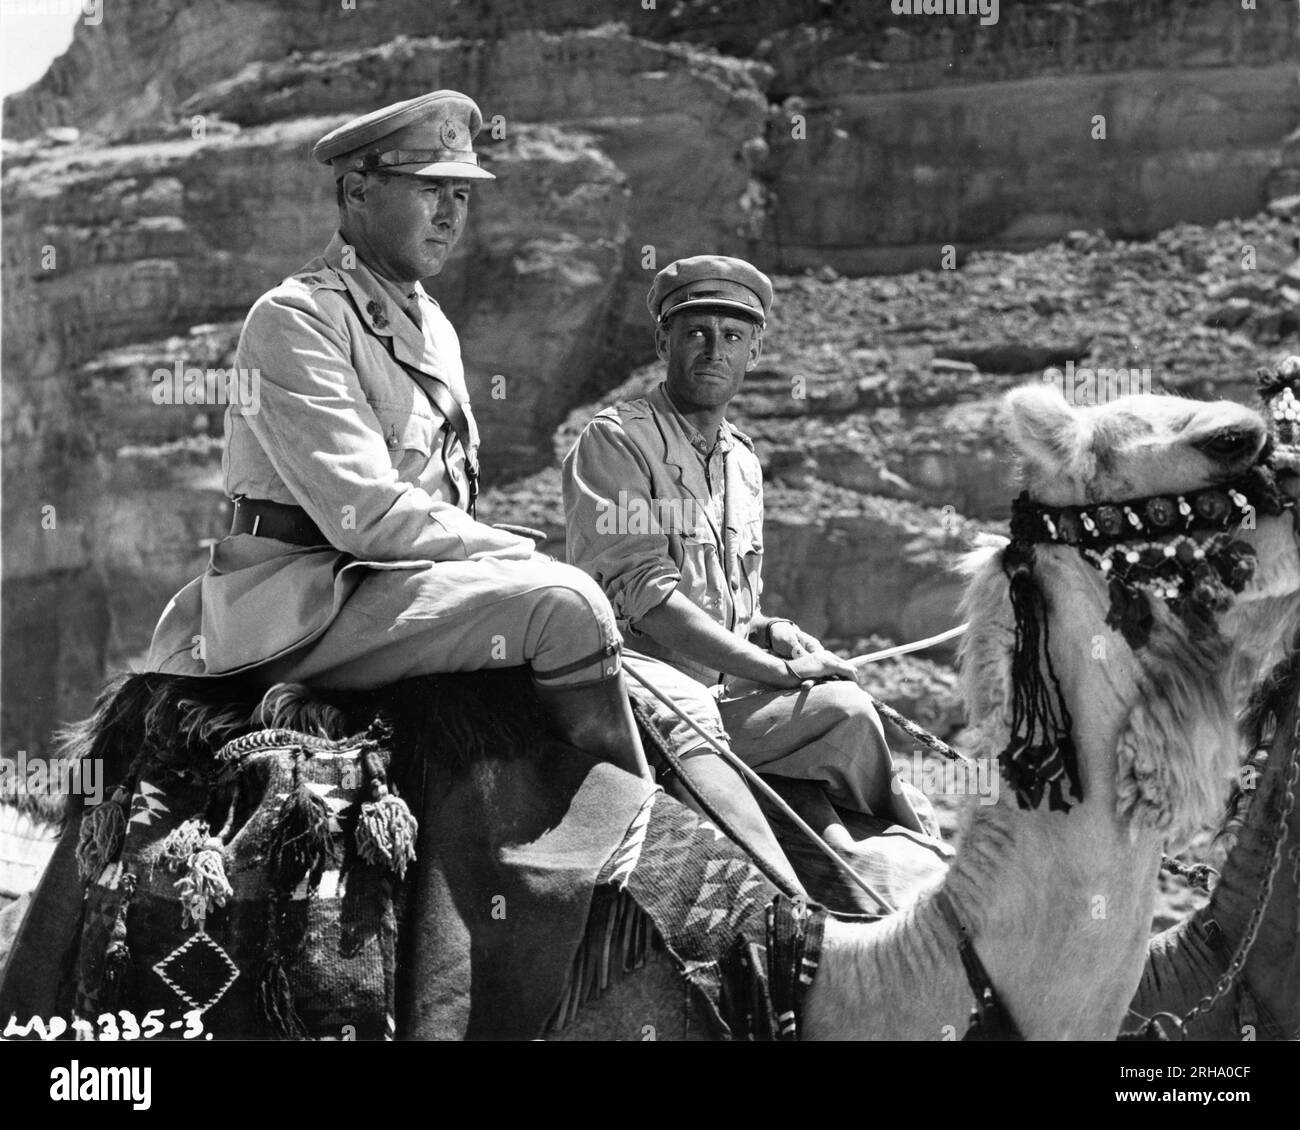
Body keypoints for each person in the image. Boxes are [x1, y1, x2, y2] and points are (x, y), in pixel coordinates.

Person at [144, 89, 649, 780]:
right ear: (357, 190)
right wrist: (521, 555)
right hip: (307, 604)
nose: (450, 214)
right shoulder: (295, 319)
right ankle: (627, 854)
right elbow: (368, 517)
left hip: (398, 587)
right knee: (569, 608)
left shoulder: (435, 326)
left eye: (462, 195)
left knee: (659, 680)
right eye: (429, 190)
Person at [562, 255, 938, 893]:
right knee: (723, 726)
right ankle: (781, 901)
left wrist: (772, 632)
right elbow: (647, 596)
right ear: (664, 342)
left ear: (755, 351)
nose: (714, 350)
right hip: (642, 693)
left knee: (847, 711)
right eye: (696, 334)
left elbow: (727, 604)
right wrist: (776, 674)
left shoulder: (742, 460)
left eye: (732, 337)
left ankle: (918, 865)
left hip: (725, 693)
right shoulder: (617, 440)